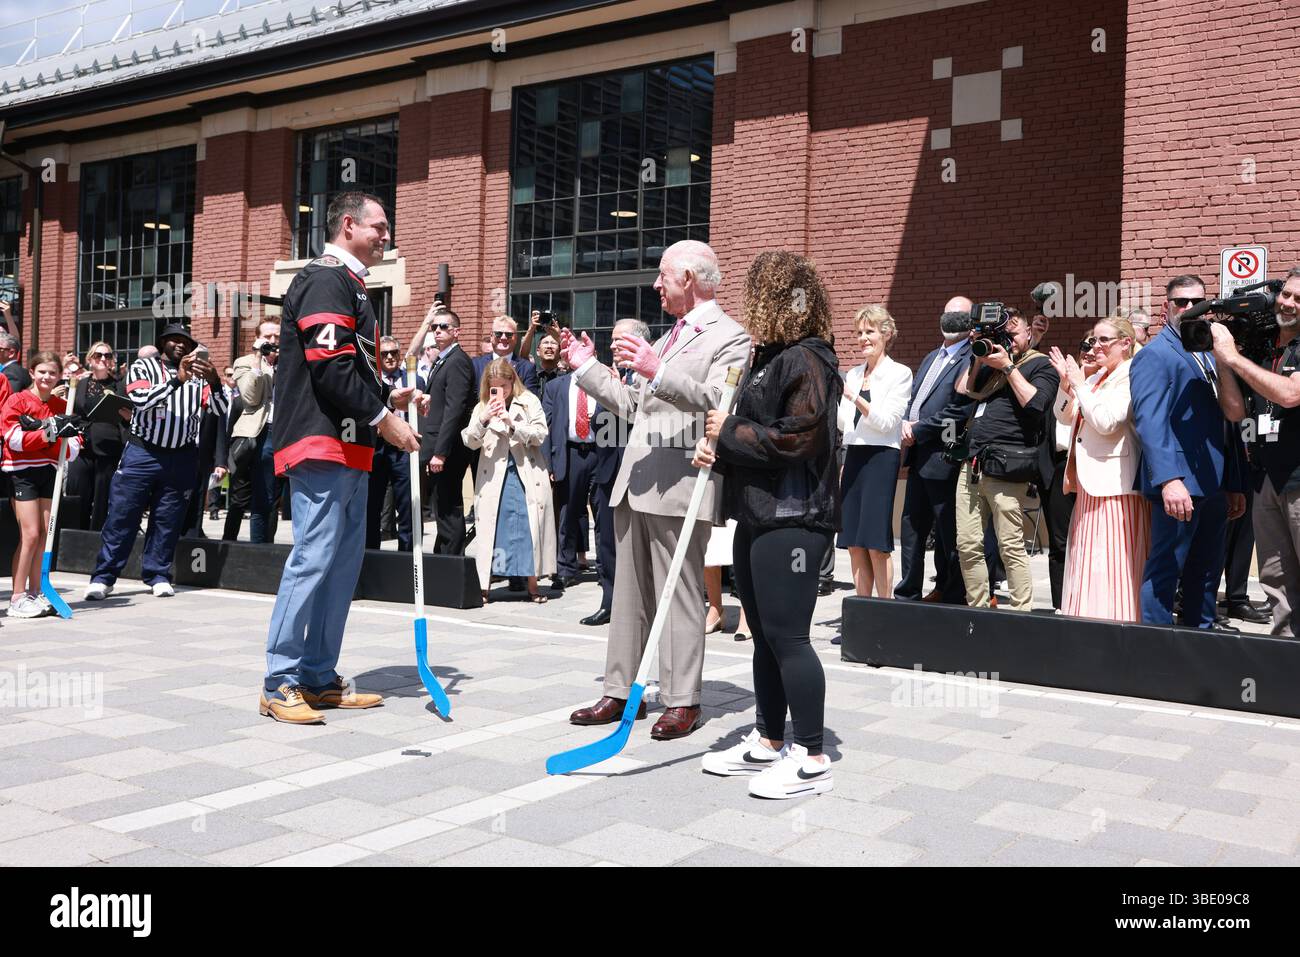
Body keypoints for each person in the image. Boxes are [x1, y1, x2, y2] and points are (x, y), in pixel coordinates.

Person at [560, 239, 751, 740]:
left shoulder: (730, 337)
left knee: (681, 592)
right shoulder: (668, 339)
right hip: (637, 481)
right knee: (629, 594)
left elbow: (718, 399)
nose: (655, 285)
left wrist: (657, 370)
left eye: (662, 275)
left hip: (682, 484)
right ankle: (621, 690)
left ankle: (683, 698)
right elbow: (633, 404)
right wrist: (586, 367)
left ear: (688, 278)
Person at [260, 191, 425, 723]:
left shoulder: (349, 285)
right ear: (348, 225)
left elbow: (346, 367)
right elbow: (328, 367)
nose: (387, 236)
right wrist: (386, 421)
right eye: (379, 226)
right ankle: (278, 680)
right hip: (321, 441)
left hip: (350, 444)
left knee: (341, 562)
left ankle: (317, 675)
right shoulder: (327, 278)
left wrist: (384, 397)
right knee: (313, 557)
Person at [693, 251, 840, 798]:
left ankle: (811, 753)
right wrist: (725, 451)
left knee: (788, 636)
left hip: (794, 517)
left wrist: (730, 431)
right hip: (759, 513)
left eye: (758, 293)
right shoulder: (770, 358)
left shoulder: (808, 359)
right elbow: (760, 436)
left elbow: (801, 438)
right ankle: (769, 738)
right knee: (763, 638)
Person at [1130, 275, 1247, 628]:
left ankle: (1200, 644)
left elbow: (1227, 423)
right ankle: (1156, 650)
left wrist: (1233, 480)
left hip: (1212, 483)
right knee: (1166, 569)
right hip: (1179, 485)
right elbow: (1150, 423)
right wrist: (1168, 479)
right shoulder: (1155, 355)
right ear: (1166, 307)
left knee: (1208, 573)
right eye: (1180, 302)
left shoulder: (1210, 353)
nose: (1188, 308)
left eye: (1196, 302)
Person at [84, 324, 227, 601]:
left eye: (186, 341)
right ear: (163, 343)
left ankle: (157, 574)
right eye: (174, 340)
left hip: (182, 455)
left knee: (168, 519)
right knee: (123, 516)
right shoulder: (144, 367)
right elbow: (140, 400)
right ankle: (104, 576)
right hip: (143, 453)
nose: (181, 345)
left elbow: (220, 410)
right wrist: (177, 381)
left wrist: (216, 382)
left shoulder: (199, 378)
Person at [1210, 266, 1300, 636]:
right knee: (1276, 580)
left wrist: (1234, 358)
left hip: (1298, 478)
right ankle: (1285, 662)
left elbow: (1291, 395)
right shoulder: (1264, 347)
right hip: (1265, 478)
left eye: (1299, 299)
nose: (1289, 303)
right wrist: (1222, 360)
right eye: (1286, 294)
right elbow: (1234, 411)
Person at [953, 310, 1060, 610]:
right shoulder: (990, 362)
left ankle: (1021, 614)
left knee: (1010, 546)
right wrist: (978, 354)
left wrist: (1009, 367)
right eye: (1004, 335)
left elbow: (1037, 404)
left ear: (1028, 333)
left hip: (1007, 466)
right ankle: (978, 609)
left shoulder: (1041, 365)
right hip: (972, 464)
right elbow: (964, 390)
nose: (1008, 341)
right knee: (968, 544)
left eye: (1014, 335)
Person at [1049, 317, 1149, 620]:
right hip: (1089, 485)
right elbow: (1064, 417)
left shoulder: (1131, 374)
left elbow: (1107, 422)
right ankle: (1085, 622)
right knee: (1086, 561)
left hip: (1115, 488)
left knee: (1112, 565)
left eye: (1104, 340)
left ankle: (1118, 624)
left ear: (1125, 343)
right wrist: (1068, 384)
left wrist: (1080, 383)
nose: (1096, 346)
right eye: (1093, 340)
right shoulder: (1097, 376)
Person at [896, 298, 974, 604]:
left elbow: (957, 413)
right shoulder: (931, 356)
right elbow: (916, 399)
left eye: (960, 315)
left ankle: (950, 592)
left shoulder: (971, 358)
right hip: (917, 457)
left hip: (944, 456)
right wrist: (905, 421)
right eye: (948, 312)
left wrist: (917, 429)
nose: (951, 318)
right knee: (912, 526)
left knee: (947, 532)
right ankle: (908, 592)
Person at [462, 358, 555, 602]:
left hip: (526, 472)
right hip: (494, 475)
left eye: (504, 385)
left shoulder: (529, 401)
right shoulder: (482, 406)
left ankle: (533, 586)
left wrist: (511, 424)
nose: (500, 392)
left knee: (528, 527)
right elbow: (469, 440)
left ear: (513, 381)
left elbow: (541, 435)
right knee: (495, 530)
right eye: (495, 387)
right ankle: (485, 586)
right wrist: (484, 419)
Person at [837, 304, 913, 598]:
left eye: (869, 331)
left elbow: (885, 423)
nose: (863, 338)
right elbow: (845, 423)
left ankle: (885, 608)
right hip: (854, 456)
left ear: (886, 334)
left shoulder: (900, 373)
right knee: (854, 540)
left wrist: (854, 397)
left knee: (875, 541)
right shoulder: (854, 374)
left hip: (881, 457)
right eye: (859, 332)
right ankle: (862, 610)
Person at [1, 352, 79, 618]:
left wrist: (60, 433)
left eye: (53, 373)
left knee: (45, 535)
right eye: (42, 372)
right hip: (22, 473)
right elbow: (12, 440)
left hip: (49, 471)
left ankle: (36, 591)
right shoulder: (17, 400)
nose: (47, 377)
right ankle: (17, 597)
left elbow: (74, 450)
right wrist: (49, 432)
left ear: (60, 376)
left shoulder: (62, 405)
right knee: (31, 534)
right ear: (32, 372)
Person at [419, 307, 476, 555]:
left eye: (444, 327)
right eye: (435, 327)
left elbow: (456, 409)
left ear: (456, 332)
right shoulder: (443, 359)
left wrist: (440, 453)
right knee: (441, 507)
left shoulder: (458, 361)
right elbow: (444, 401)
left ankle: (452, 567)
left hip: (449, 450)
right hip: (436, 444)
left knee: (449, 507)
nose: (438, 331)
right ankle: (443, 561)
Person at [224, 319, 280, 543]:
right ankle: (248, 546)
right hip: (258, 433)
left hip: (285, 431)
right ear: (258, 338)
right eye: (267, 337)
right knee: (253, 497)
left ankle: (265, 547)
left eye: (277, 336)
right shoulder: (244, 362)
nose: (273, 341)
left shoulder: (292, 363)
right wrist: (258, 358)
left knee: (272, 497)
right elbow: (250, 397)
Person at [367, 335, 420, 551]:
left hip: (403, 449)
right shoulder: (372, 380)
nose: (389, 357)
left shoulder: (412, 379)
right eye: (384, 353)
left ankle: (407, 558)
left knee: (407, 505)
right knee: (372, 505)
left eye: (394, 353)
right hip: (377, 448)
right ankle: (370, 555)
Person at [68, 341, 128, 532]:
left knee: (103, 500)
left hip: (109, 448)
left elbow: (126, 417)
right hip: (82, 448)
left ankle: (95, 541)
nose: (103, 359)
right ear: (89, 359)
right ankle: (74, 538)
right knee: (77, 495)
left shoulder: (119, 385)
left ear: (112, 361)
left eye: (107, 356)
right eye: (98, 355)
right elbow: (72, 413)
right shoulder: (80, 384)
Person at [473, 316, 540, 394]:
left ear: (516, 338)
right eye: (498, 334)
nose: (503, 338)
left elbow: (530, 401)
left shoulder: (527, 368)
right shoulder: (475, 365)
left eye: (509, 334)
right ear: (491, 336)